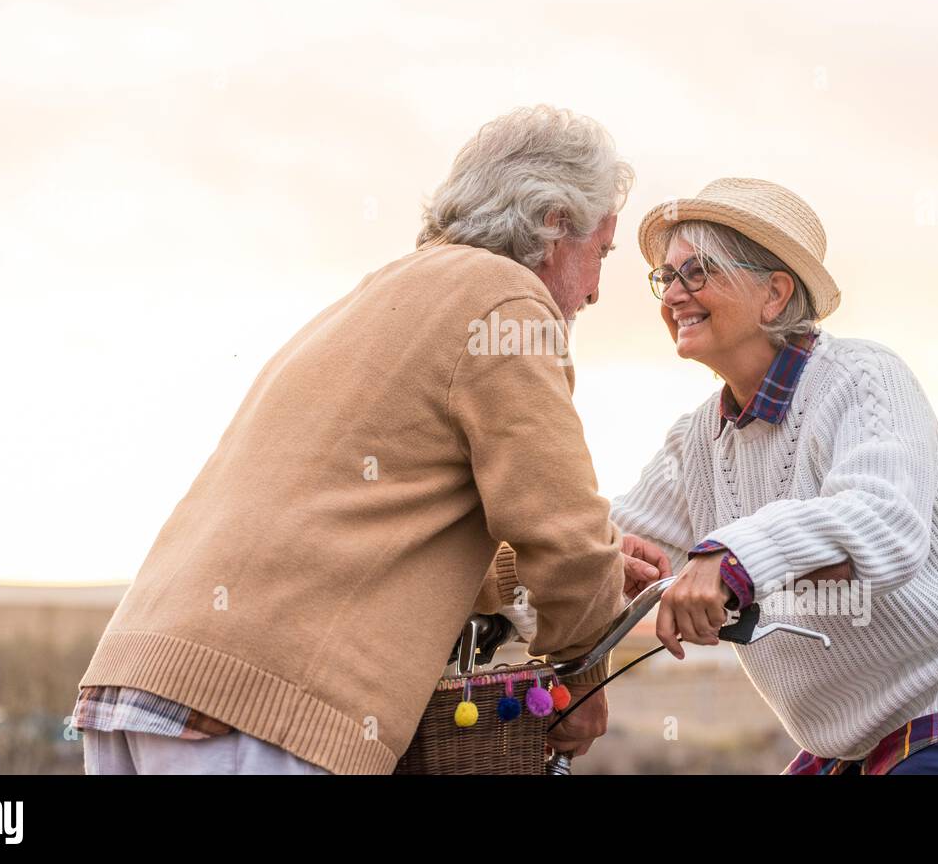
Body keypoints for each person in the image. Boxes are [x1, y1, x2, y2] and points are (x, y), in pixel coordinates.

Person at [73, 105, 667, 773]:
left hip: (143, 684)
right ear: (555, 224)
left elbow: (382, 526)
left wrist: (579, 567)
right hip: (262, 714)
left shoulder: (384, 292)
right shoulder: (508, 304)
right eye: (602, 252)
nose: (593, 289)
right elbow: (561, 538)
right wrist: (582, 665)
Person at [609, 177, 938, 774]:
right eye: (666, 278)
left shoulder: (862, 377)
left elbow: (879, 525)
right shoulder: (694, 442)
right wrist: (516, 583)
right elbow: (608, 551)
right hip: (867, 729)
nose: (674, 295)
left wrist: (728, 558)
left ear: (774, 294)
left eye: (698, 272)